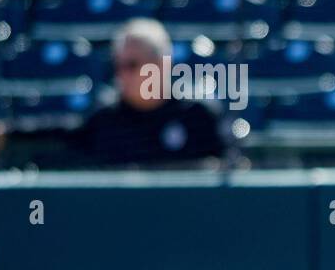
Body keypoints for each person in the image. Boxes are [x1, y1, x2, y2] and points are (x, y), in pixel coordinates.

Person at [77, 19, 226, 167]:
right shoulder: (103, 122)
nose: (122, 74)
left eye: (132, 65)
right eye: (118, 65)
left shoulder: (198, 116)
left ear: (162, 65)